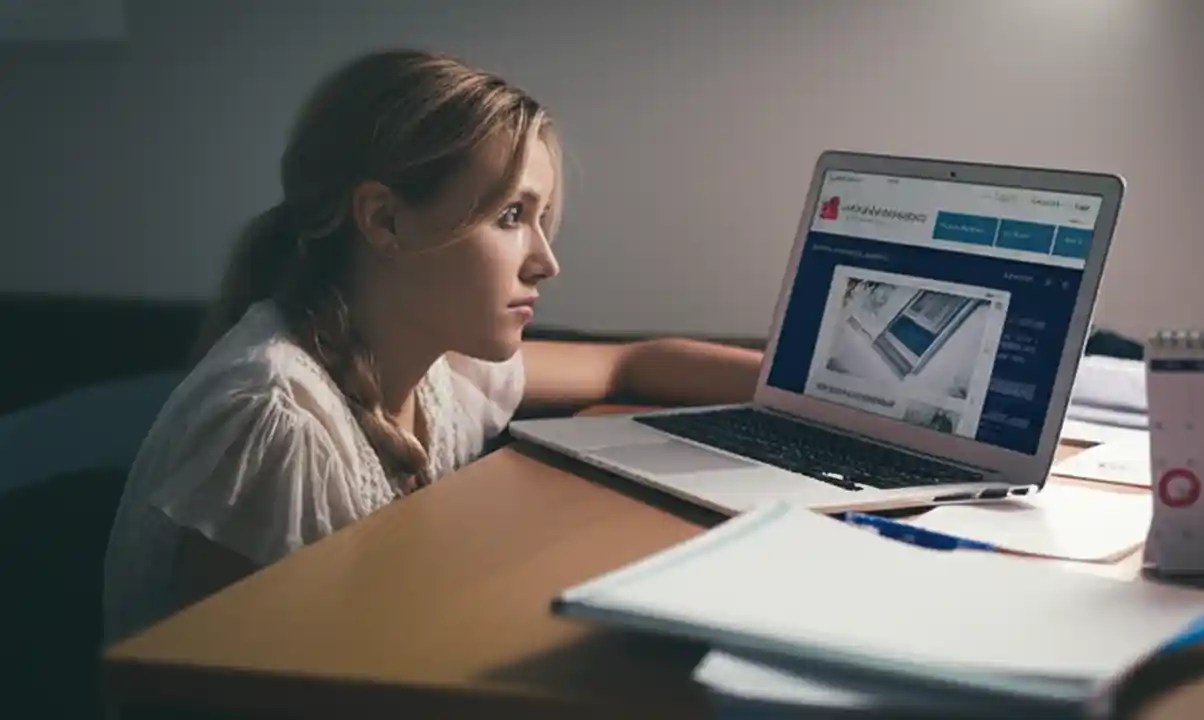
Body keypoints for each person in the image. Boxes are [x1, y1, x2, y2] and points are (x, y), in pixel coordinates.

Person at [101, 49, 762, 646]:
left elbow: (627, 363)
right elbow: (223, 695)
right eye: (511, 217)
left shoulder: (440, 365)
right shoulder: (276, 422)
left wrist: (810, 389)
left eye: (541, 218)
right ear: (385, 220)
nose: (546, 261)